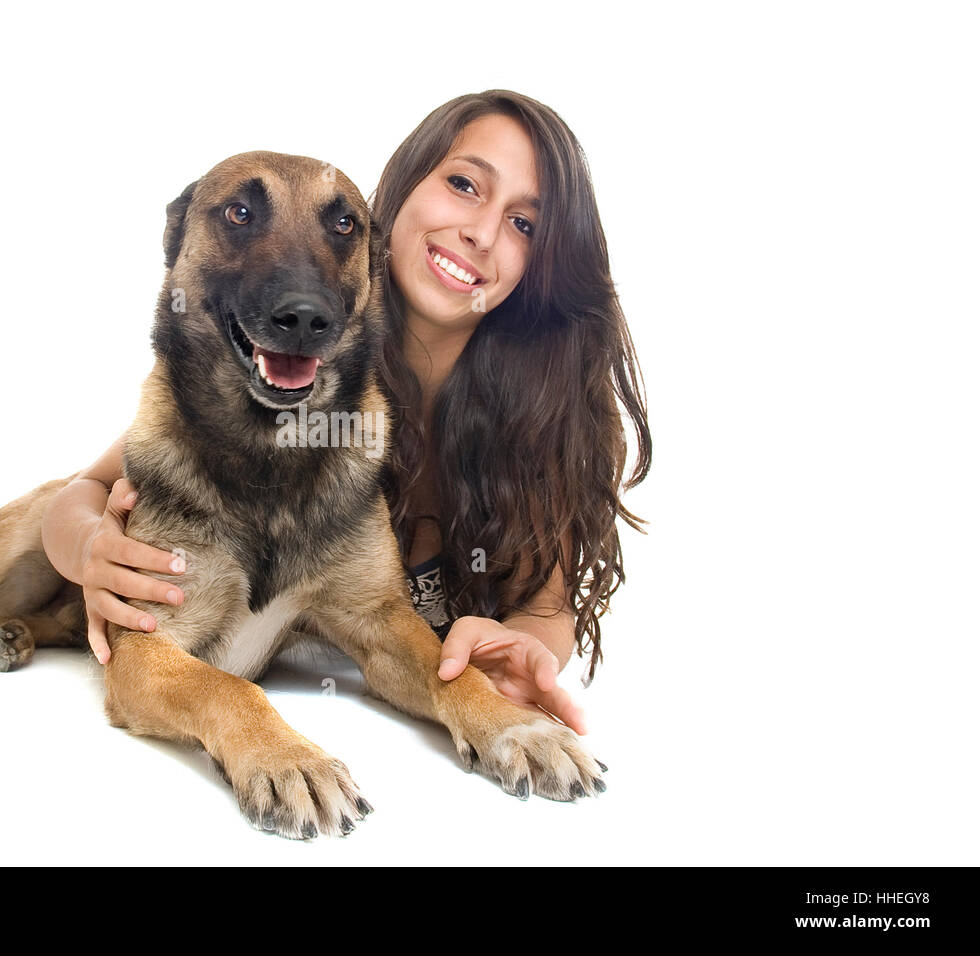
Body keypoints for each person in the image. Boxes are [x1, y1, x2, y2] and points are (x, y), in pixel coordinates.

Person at [40, 90, 650, 736]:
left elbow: (544, 609)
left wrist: (531, 649)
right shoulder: (287, 364)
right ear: (402, 191)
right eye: (465, 184)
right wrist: (87, 549)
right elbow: (84, 490)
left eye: (525, 223)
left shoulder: (547, 415)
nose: (481, 231)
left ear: (542, 265)